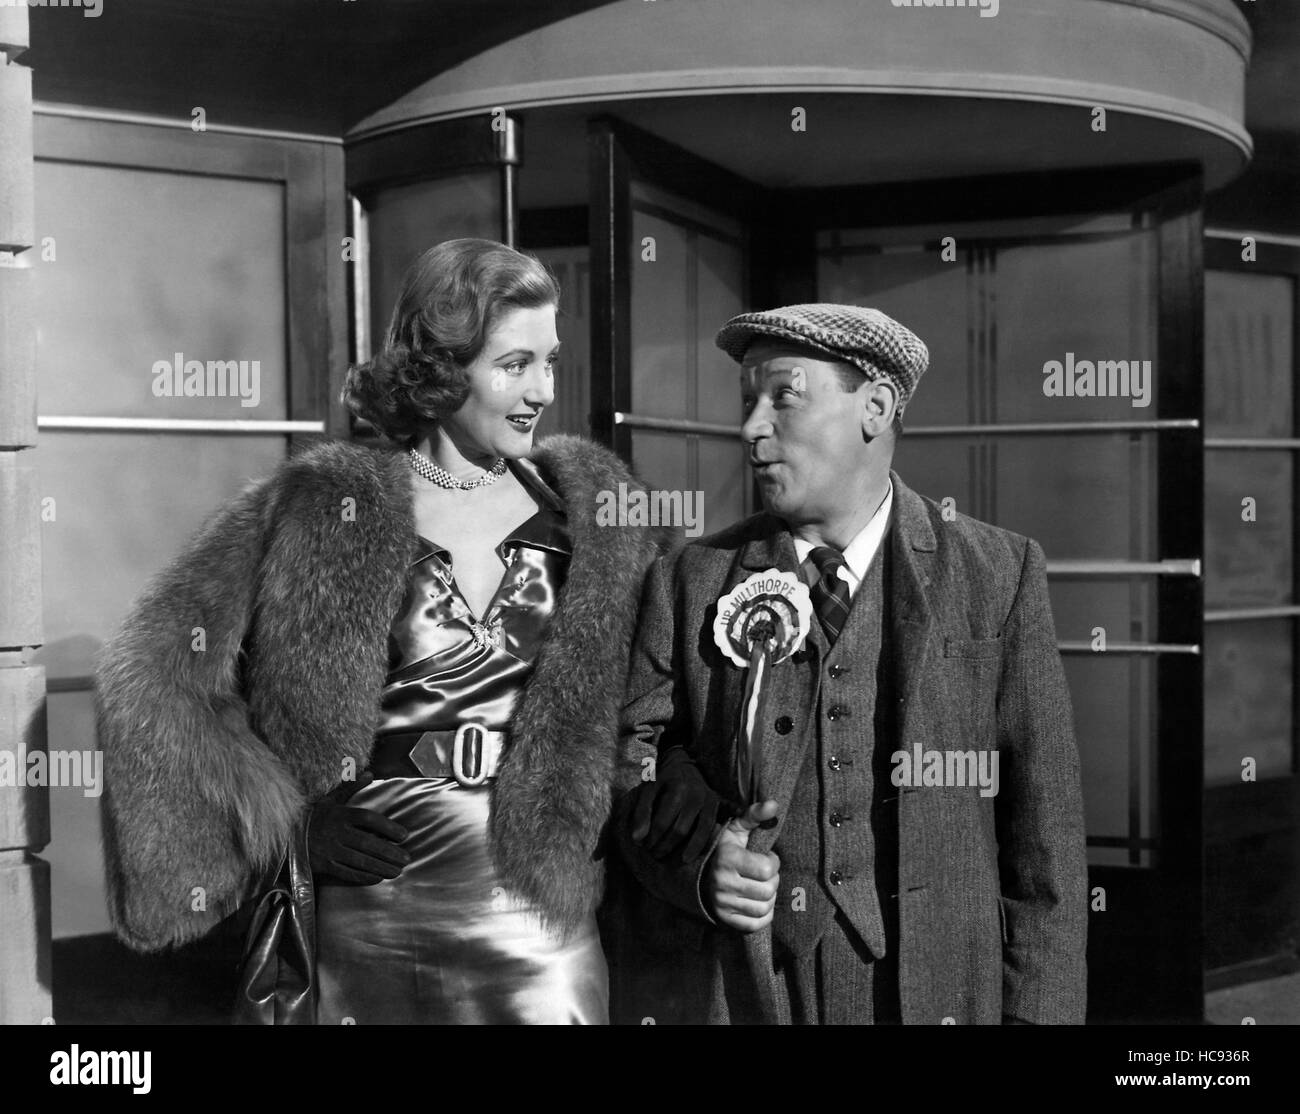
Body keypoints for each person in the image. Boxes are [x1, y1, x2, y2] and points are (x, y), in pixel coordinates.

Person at [97, 238, 673, 1024]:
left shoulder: (598, 515)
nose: (540, 390)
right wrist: (282, 825)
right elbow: (152, 675)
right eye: (513, 365)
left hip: (538, 916)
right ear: (440, 365)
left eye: (550, 361)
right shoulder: (316, 504)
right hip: (367, 914)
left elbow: (668, 686)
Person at [609, 303, 1088, 1025]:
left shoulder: (998, 573)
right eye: (747, 403)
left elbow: (1045, 834)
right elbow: (627, 757)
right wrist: (699, 866)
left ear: (877, 407)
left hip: (935, 990)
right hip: (742, 991)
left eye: (784, 397)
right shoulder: (689, 577)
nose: (752, 429)